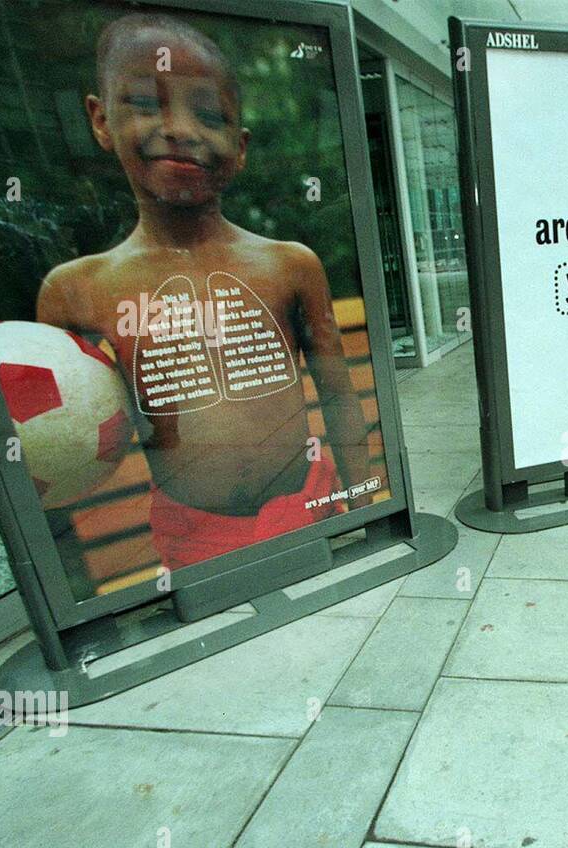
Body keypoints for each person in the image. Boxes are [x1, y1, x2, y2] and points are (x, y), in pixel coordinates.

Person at [36, 12, 371, 569]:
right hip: (193, 543)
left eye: (209, 115)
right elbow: (54, 432)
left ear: (240, 147)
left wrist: (361, 513)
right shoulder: (77, 290)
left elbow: (338, 396)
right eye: (145, 103)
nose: (182, 130)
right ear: (99, 119)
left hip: (312, 511)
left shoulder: (289, 265)